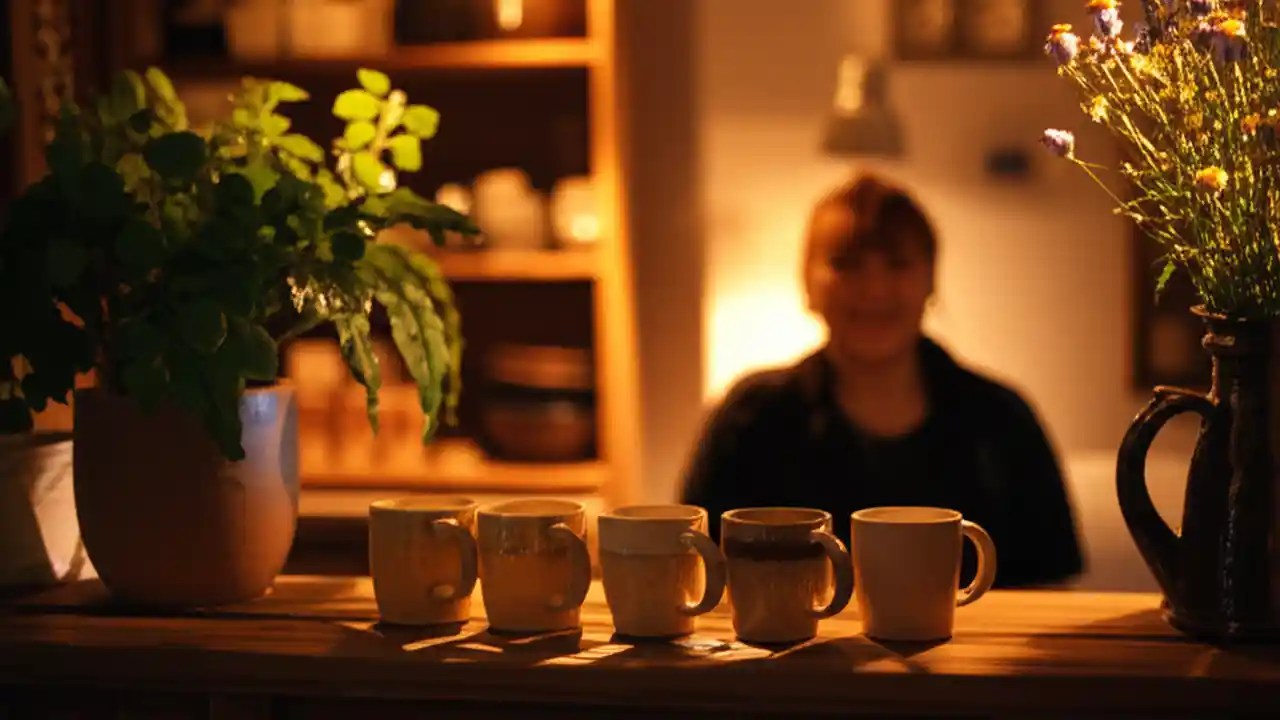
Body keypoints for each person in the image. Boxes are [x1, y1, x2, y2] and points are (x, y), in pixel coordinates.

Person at [681, 174, 1083, 587]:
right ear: (807, 283)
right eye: (846, 264)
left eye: (897, 264)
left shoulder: (1002, 419)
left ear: (930, 280)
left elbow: (1053, 584)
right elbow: (693, 565)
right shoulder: (752, 416)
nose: (874, 288)